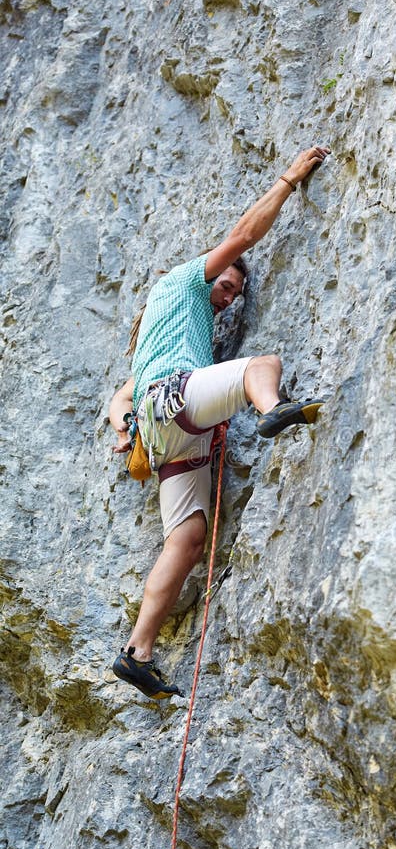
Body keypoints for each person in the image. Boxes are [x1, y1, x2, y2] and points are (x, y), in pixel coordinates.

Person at [108, 145, 330, 700]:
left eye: (235, 293)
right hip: (175, 401)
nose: (229, 298)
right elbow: (243, 237)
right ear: (205, 272)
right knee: (263, 366)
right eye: (226, 285)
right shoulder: (183, 283)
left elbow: (121, 396)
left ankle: (137, 652)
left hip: (160, 428)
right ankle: (270, 407)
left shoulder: (158, 337)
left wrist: (122, 428)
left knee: (186, 540)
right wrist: (288, 180)